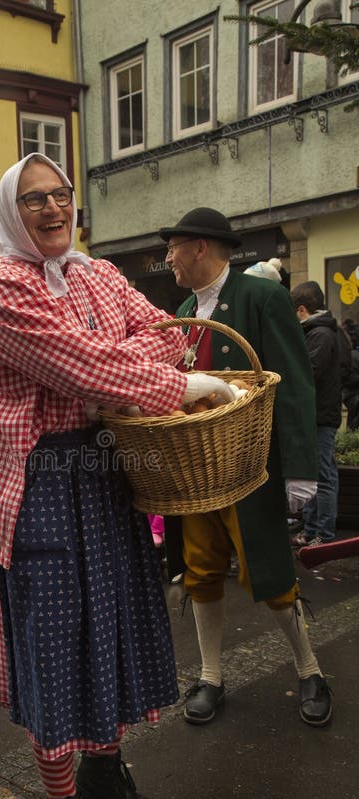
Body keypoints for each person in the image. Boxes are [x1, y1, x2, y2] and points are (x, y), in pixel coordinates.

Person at [0, 154, 235, 799]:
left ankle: (104, 776)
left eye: (60, 194)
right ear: (10, 211)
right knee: (55, 644)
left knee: (110, 624)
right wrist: (166, 383)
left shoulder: (95, 272)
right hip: (39, 481)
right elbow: (80, 367)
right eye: (34, 200)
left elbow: (164, 331)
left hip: (107, 471)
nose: (53, 209)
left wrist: (112, 364)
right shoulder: (0, 288)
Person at [159, 207, 332, 729]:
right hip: (198, 473)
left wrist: (300, 467)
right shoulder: (186, 309)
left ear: (200, 249)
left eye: (173, 249)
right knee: (200, 571)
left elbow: (294, 382)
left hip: (249, 468)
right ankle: (210, 676)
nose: (168, 258)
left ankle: (310, 669)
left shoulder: (263, 297)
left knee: (273, 576)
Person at [291, 281, 345, 546]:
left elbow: (308, 373)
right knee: (313, 475)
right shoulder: (317, 332)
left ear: (302, 309)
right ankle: (311, 530)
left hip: (321, 416)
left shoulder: (321, 334)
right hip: (316, 414)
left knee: (323, 476)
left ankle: (324, 535)